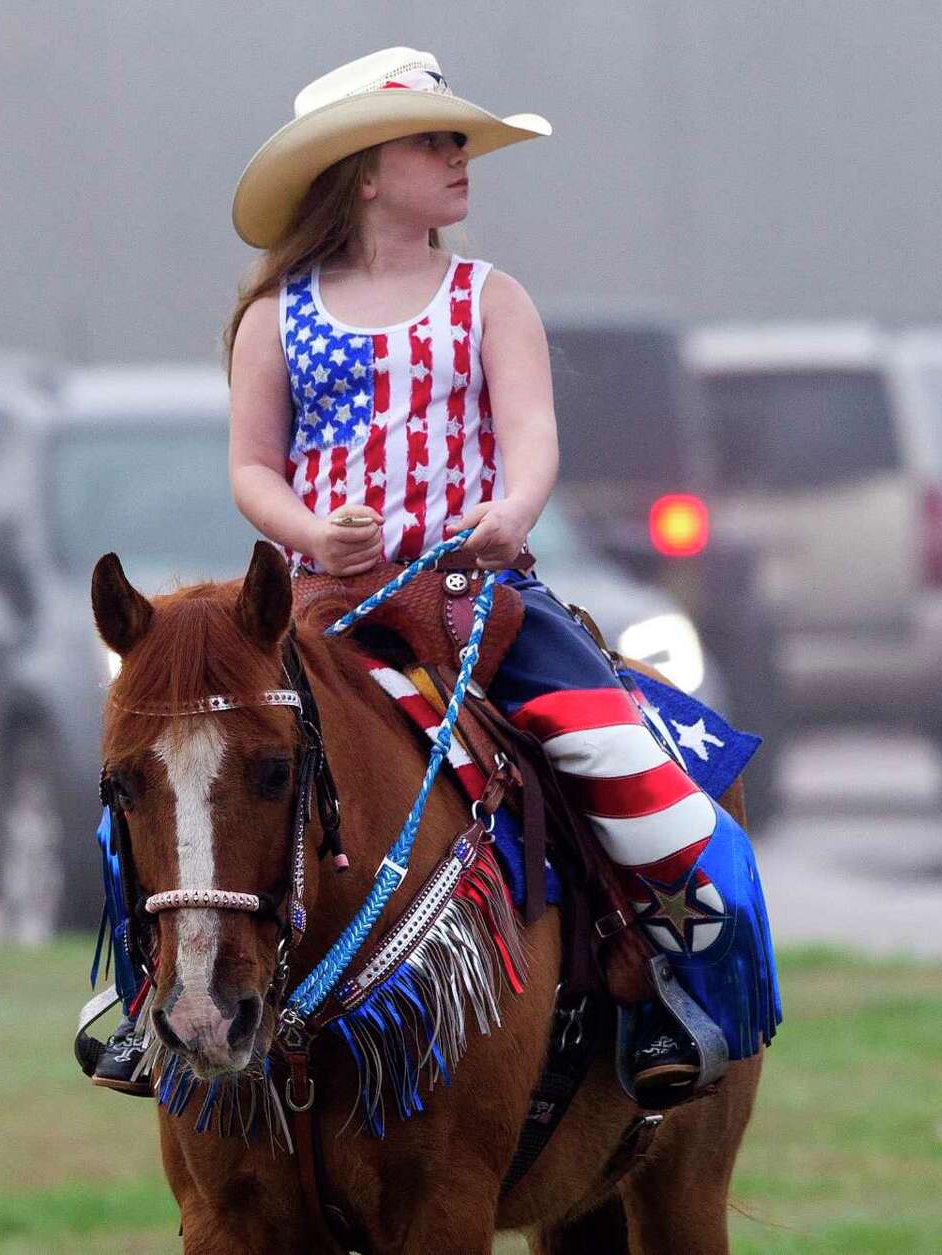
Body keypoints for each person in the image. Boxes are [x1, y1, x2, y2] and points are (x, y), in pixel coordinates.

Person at [91, 46, 778, 1105]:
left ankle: (669, 992)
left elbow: (532, 437)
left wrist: (507, 515)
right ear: (364, 171)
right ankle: (147, 1001)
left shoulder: (490, 299)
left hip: (474, 604)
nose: (460, 159)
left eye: (459, 142)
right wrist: (314, 531)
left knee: (635, 775)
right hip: (309, 612)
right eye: (434, 141)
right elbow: (250, 469)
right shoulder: (278, 316)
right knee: (164, 768)